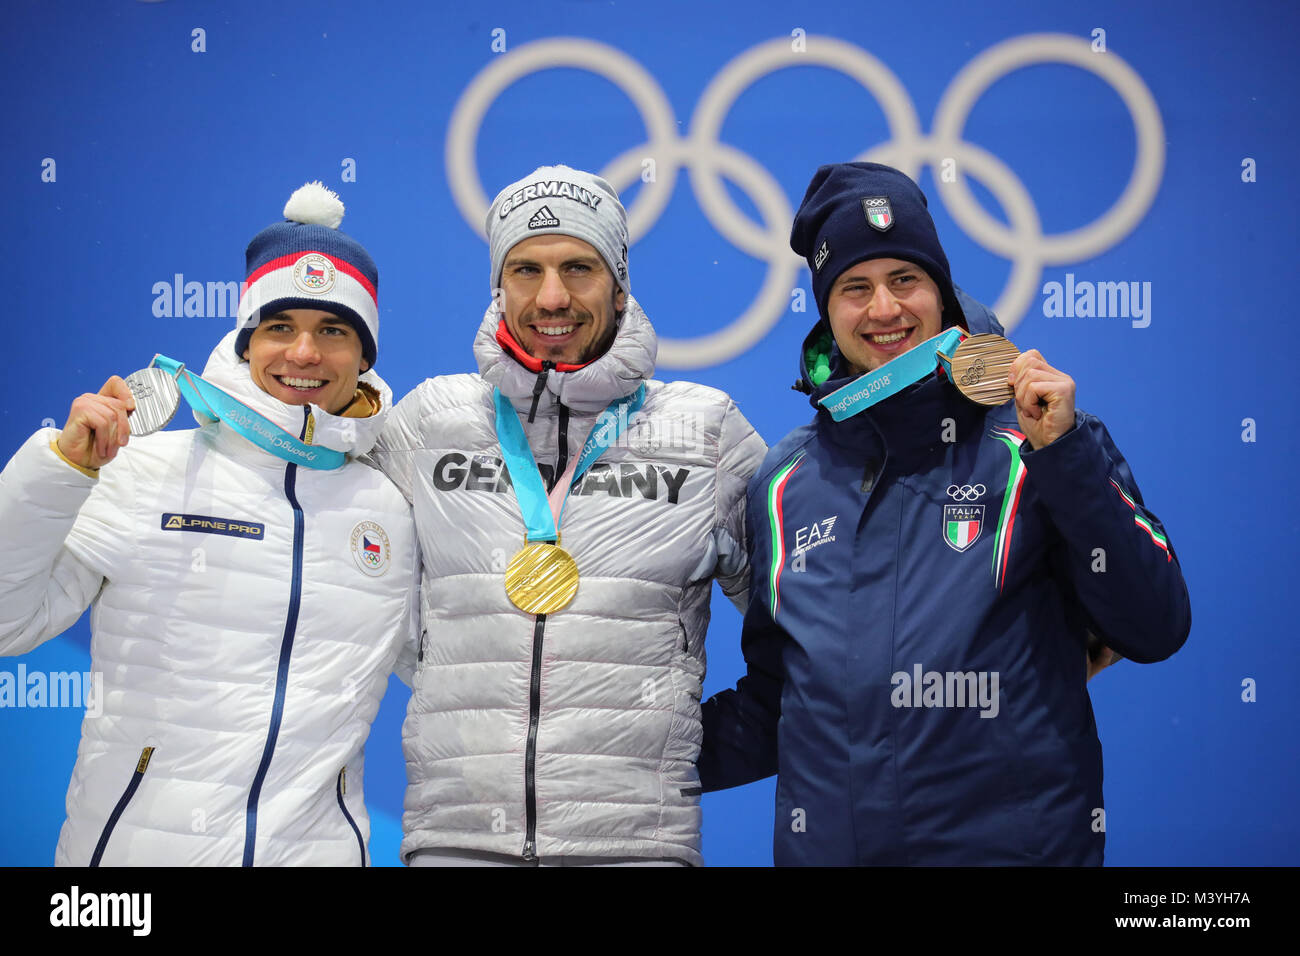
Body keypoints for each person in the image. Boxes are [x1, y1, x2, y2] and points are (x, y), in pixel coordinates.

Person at [698, 162, 1191, 865]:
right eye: (854, 288)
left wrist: (1069, 458)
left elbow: (1155, 625)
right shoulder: (786, 481)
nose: (884, 310)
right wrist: (601, 766)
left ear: (942, 293)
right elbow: (782, 706)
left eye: (906, 280)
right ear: (826, 310)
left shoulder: (1036, 441)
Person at [0, 183, 417, 865]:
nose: (305, 354)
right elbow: (6, 622)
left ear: (364, 356)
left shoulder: (388, 508)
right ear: (246, 341)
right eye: (280, 327)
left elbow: (456, 670)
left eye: (334, 331)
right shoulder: (144, 470)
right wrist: (57, 469)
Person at [373, 164, 766, 866]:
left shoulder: (706, 433)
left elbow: (813, 628)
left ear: (619, 286)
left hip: (636, 845)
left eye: (578, 268)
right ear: (499, 285)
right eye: (526, 269)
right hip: (456, 839)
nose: (552, 296)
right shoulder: (431, 421)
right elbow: (326, 572)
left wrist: (676, 747)